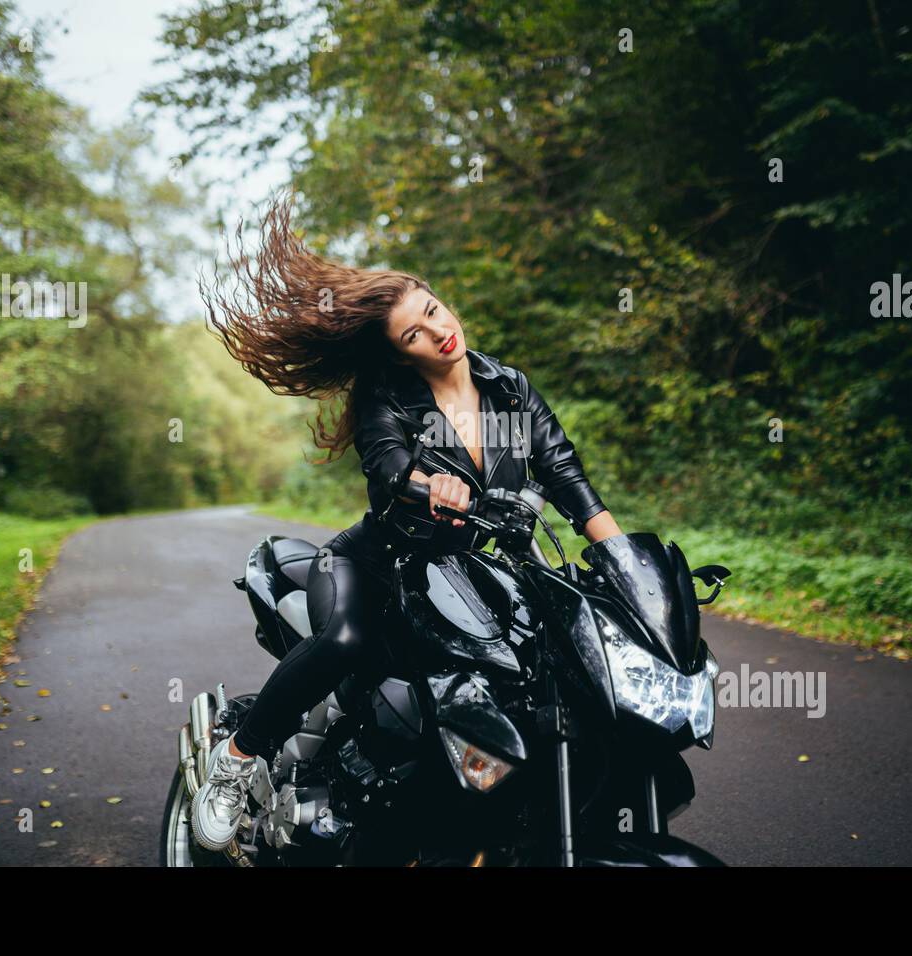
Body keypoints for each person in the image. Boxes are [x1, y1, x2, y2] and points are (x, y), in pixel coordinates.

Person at [190, 194, 623, 851]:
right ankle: (237, 760)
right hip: (375, 566)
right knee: (343, 643)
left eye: (431, 310)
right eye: (412, 334)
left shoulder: (510, 389)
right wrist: (432, 485)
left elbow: (569, 481)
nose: (436, 330)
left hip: (467, 577)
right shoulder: (387, 397)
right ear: (399, 353)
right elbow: (389, 468)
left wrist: (623, 565)